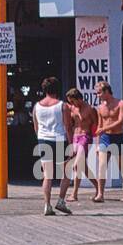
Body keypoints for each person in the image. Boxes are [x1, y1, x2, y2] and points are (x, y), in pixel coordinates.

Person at [32, 76, 72, 215]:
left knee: (47, 175)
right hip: (60, 139)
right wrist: (71, 144)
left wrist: (41, 138)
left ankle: (47, 204)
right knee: (66, 173)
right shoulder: (62, 105)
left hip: (43, 139)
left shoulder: (37, 106)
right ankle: (61, 200)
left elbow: (36, 127)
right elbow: (68, 127)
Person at [93, 82, 123, 203]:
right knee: (102, 166)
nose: (97, 95)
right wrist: (98, 144)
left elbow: (121, 121)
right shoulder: (100, 107)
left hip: (118, 136)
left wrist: (104, 129)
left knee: (122, 168)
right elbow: (99, 125)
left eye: (99, 92)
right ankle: (100, 194)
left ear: (106, 91)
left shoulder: (121, 103)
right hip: (105, 138)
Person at [65, 88, 98, 203]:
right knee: (83, 167)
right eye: (70, 101)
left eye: (73, 101)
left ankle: (74, 194)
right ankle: (98, 187)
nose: (71, 103)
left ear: (79, 98)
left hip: (85, 136)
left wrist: (96, 140)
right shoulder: (72, 108)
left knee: (76, 166)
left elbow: (95, 124)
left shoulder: (90, 109)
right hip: (75, 137)